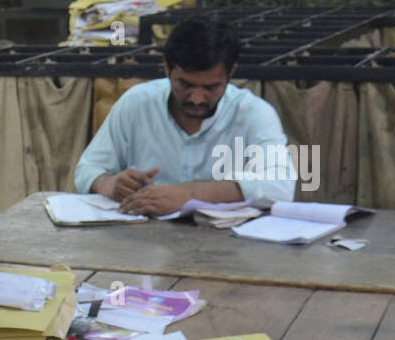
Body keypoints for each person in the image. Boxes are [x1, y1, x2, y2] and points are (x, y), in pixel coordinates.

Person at [73, 14, 297, 215]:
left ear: (231, 73)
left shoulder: (253, 114)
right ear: (167, 68)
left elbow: (280, 185)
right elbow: (88, 168)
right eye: (185, 85)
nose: (197, 99)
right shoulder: (137, 103)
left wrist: (189, 194)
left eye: (211, 88)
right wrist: (108, 183)